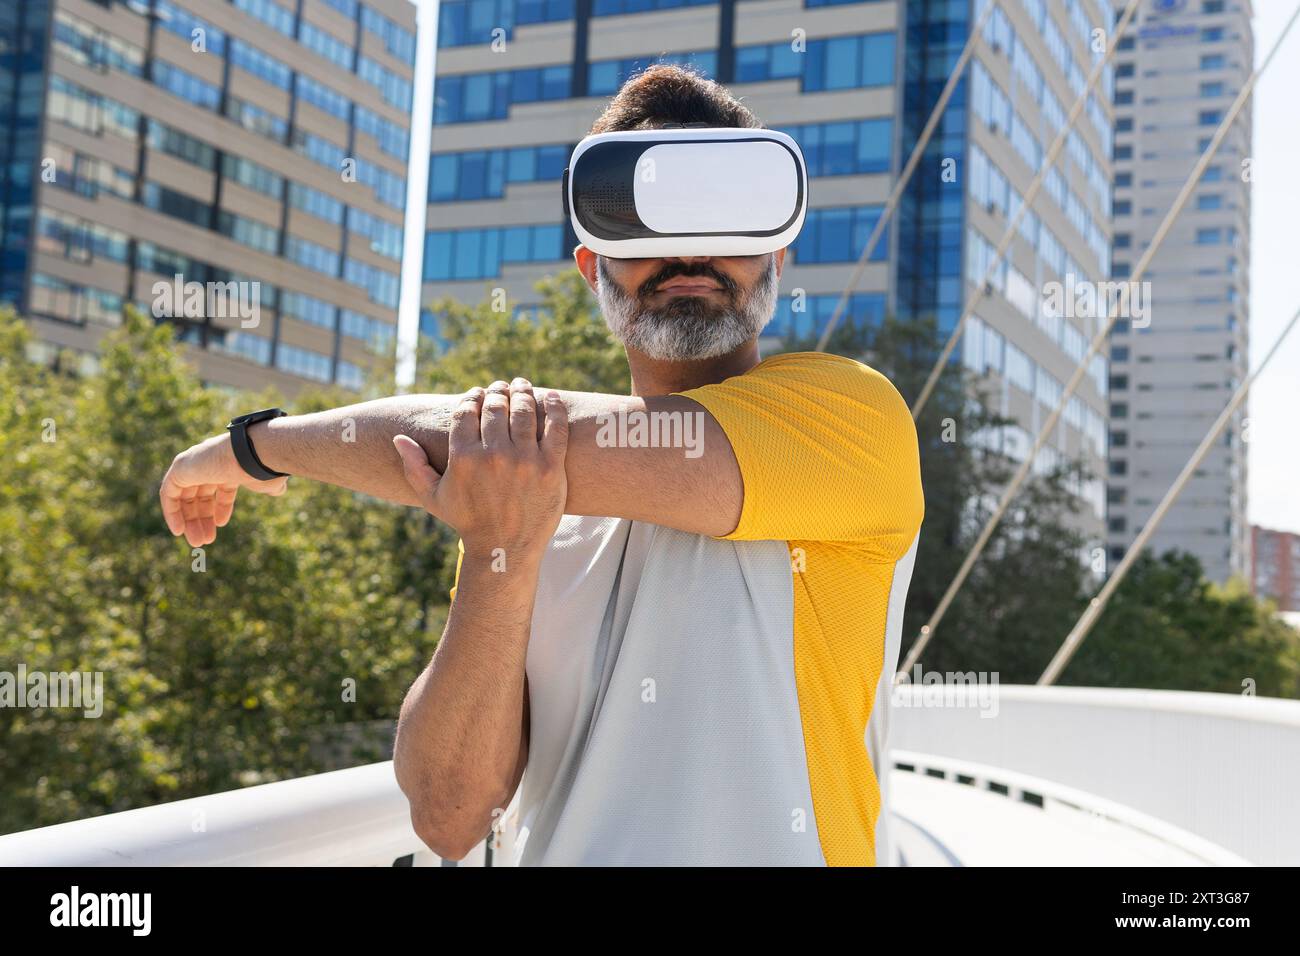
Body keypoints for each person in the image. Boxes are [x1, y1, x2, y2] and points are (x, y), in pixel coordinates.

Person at [159, 65, 923, 866]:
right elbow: (451, 818)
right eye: (641, 217)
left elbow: (457, 433)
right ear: (593, 267)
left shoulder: (852, 419)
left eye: (726, 216)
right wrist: (506, 553)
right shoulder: (515, 491)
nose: (691, 249)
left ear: (777, 256)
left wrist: (254, 445)